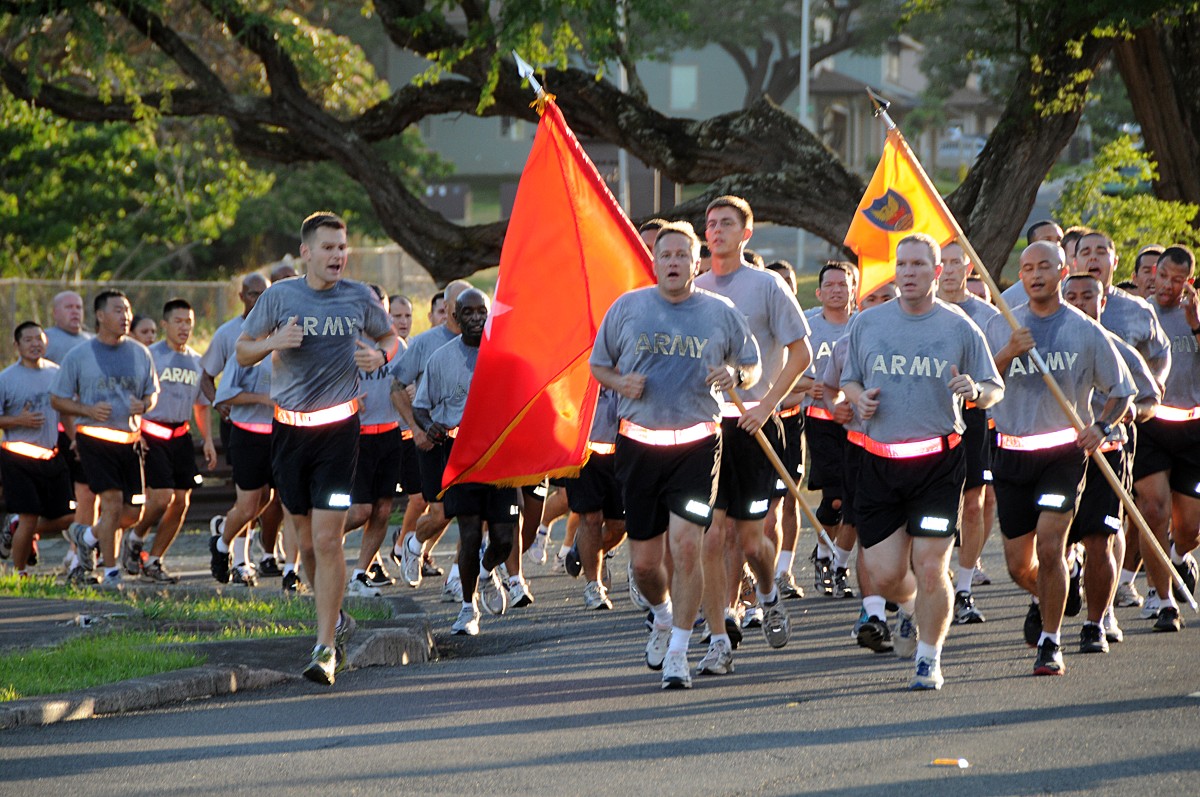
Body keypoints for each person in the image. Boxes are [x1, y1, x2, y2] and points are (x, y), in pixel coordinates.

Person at [591, 221, 761, 689]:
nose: (673, 262)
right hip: (640, 444)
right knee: (645, 565)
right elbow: (597, 364)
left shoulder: (719, 312)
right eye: (665, 255)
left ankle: (680, 654)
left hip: (697, 444)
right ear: (654, 262)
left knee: (689, 545)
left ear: (696, 262)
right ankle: (663, 617)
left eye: (682, 256)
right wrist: (620, 383)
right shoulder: (627, 308)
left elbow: (751, 364)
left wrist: (735, 376)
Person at [234, 211, 397, 685]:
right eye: (328, 248)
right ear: (306, 252)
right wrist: (272, 341)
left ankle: (325, 648)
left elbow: (391, 336)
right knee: (305, 544)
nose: (338, 256)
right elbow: (242, 349)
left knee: (328, 540)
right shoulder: (279, 296)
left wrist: (382, 354)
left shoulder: (359, 297)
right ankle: (338, 617)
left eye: (342, 248)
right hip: (289, 433)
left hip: (339, 432)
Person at [841, 233, 1003, 690]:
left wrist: (976, 391)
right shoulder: (868, 323)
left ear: (937, 272)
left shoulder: (958, 327)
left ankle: (929, 659)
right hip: (879, 461)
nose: (908, 272)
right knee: (888, 574)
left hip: (937, 461)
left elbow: (995, 387)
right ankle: (912, 608)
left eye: (918, 265)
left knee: (932, 567)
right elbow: (849, 380)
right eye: (902, 264)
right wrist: (859, 399)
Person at [985, 242, 1133, 676]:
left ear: (1062, 271)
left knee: (1051, 546)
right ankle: (1059, 591)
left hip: (1062, 454)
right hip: (1012, 453)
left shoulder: (1084, 329)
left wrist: (1101, 426)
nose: (1034, 275)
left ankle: (1050, 643)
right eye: (1027, 268)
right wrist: (1009, 352)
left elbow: (1121, 390)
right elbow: (982, 391)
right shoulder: (1002, 326)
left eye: (1044, 267)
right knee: (1018, 565)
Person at [694, 196, 811, 676]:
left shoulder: (766, 286)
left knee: (750, 540)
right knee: (711, 535)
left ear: (746, 234)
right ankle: (719, 630)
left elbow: (801, 353)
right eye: (710, 224)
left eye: (726, 224)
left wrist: (767, 405)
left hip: (755, 423)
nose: (716, 230)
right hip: (704, 427)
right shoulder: (692, 289)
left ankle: (767, 592)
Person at [412, 288, 519, 634]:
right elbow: (420, 405)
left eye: (481, 312)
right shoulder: (441, 359)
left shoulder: (505, 355)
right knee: (470, 534)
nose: (476, 318)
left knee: (503, 539)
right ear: (455, 317)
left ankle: (488, 570)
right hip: (461, 457)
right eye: (468, 312)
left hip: (499, 458)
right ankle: (467, 608)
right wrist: (430, 427)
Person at [1062, 274, 1160, 650]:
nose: (1080, 302)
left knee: (1103, 536)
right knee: (1055, 540)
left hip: (1109, 450)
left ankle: (1100, 617)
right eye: (1071, 296)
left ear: (1103, 303)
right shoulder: (1047, 346)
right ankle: (1057, 586)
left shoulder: (1120, 349)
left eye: (1089, 296)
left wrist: (1130, 412)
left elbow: (1150, 398)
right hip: (1058, 455)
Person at [51, 290, 159, 589]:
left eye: (127, 310)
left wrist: (145, 404)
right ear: (100, 316)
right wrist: (86, 409)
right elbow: (57, 400)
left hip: (131, 440)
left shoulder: (140, 352)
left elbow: (153, 392)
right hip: (95, 439)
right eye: (118, 311)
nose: (125, 316)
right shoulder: (80, 355)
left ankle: (86, 536)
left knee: (134, 513)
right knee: (110, 504)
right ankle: (111, 573)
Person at [123, 299, 217, 583]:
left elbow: (201, 405)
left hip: (181, 435)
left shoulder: (196, 361)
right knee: (161, 498)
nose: (184, 327)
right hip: (152, 434)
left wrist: (208, 440)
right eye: (178, 321)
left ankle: (154, 559)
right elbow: (132, 398)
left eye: (188, 322)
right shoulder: (148, 355)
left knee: (181, 502)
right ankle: (135, 537)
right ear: (165, 324)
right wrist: (135, 431)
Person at [935, 241, 1003, 624]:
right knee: (935, 503)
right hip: (927, 415)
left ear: (969, 267)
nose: (948, 269)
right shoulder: (921, 311)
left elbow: (997, 378)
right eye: (941, 263)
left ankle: (963, 589)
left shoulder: (987, 315)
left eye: (955, 262)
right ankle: (929, 581)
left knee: (973, 501)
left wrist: (978, 390)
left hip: (973, 415)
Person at [391, 281, 472, 594]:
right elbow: (396, 387)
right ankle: (412, 542)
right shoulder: (426, 344)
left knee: (471, 513)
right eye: (462, 305)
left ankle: (458, 579)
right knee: (440, 513)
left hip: (469, 441)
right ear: (449, 309)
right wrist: (417, 427)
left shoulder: (482, 342)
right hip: (434, 439)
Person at [1135, 245, 1200, 632]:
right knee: (1154, 511)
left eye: (1178, 280)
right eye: (1162, 277)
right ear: (1152, 273)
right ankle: (1163, 601)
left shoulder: (1195, 313)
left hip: (1192, 427)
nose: (1168, 286)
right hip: (1150, 425)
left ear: (1188, 282)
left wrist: (1195, 325)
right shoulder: (1137, 313)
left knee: (1189, 526)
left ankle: (1177, 557)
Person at [0, 322, 74, 574]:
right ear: (17, 345)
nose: (35, 344)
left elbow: (66, 412)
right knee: (30, 514)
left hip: (51, 456)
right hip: (17, 457)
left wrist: (75, 439)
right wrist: (18, 421)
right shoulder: (6, 379)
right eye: (28, 340)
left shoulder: (56, 373)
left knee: (68, 516)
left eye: (39, 339)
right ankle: (18, 573)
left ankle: (16, 528)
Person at [802, 261, 857, 599]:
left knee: (854, 500)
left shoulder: (864, 326)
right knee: (835, 498)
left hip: (856, 423)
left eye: (844, 284)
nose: (837, 290)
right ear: (820, 292)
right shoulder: (809, 328)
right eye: (831, 285)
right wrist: (811, 387)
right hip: (821, 422)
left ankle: (837, 563)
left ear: (854, 289)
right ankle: (827, 555)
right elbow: (796, 371)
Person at [44, 291, 92, 364]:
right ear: (55, 313)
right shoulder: (44, 339)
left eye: (78, 307)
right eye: (69, 307)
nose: (75, 311)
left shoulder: (93, 340)